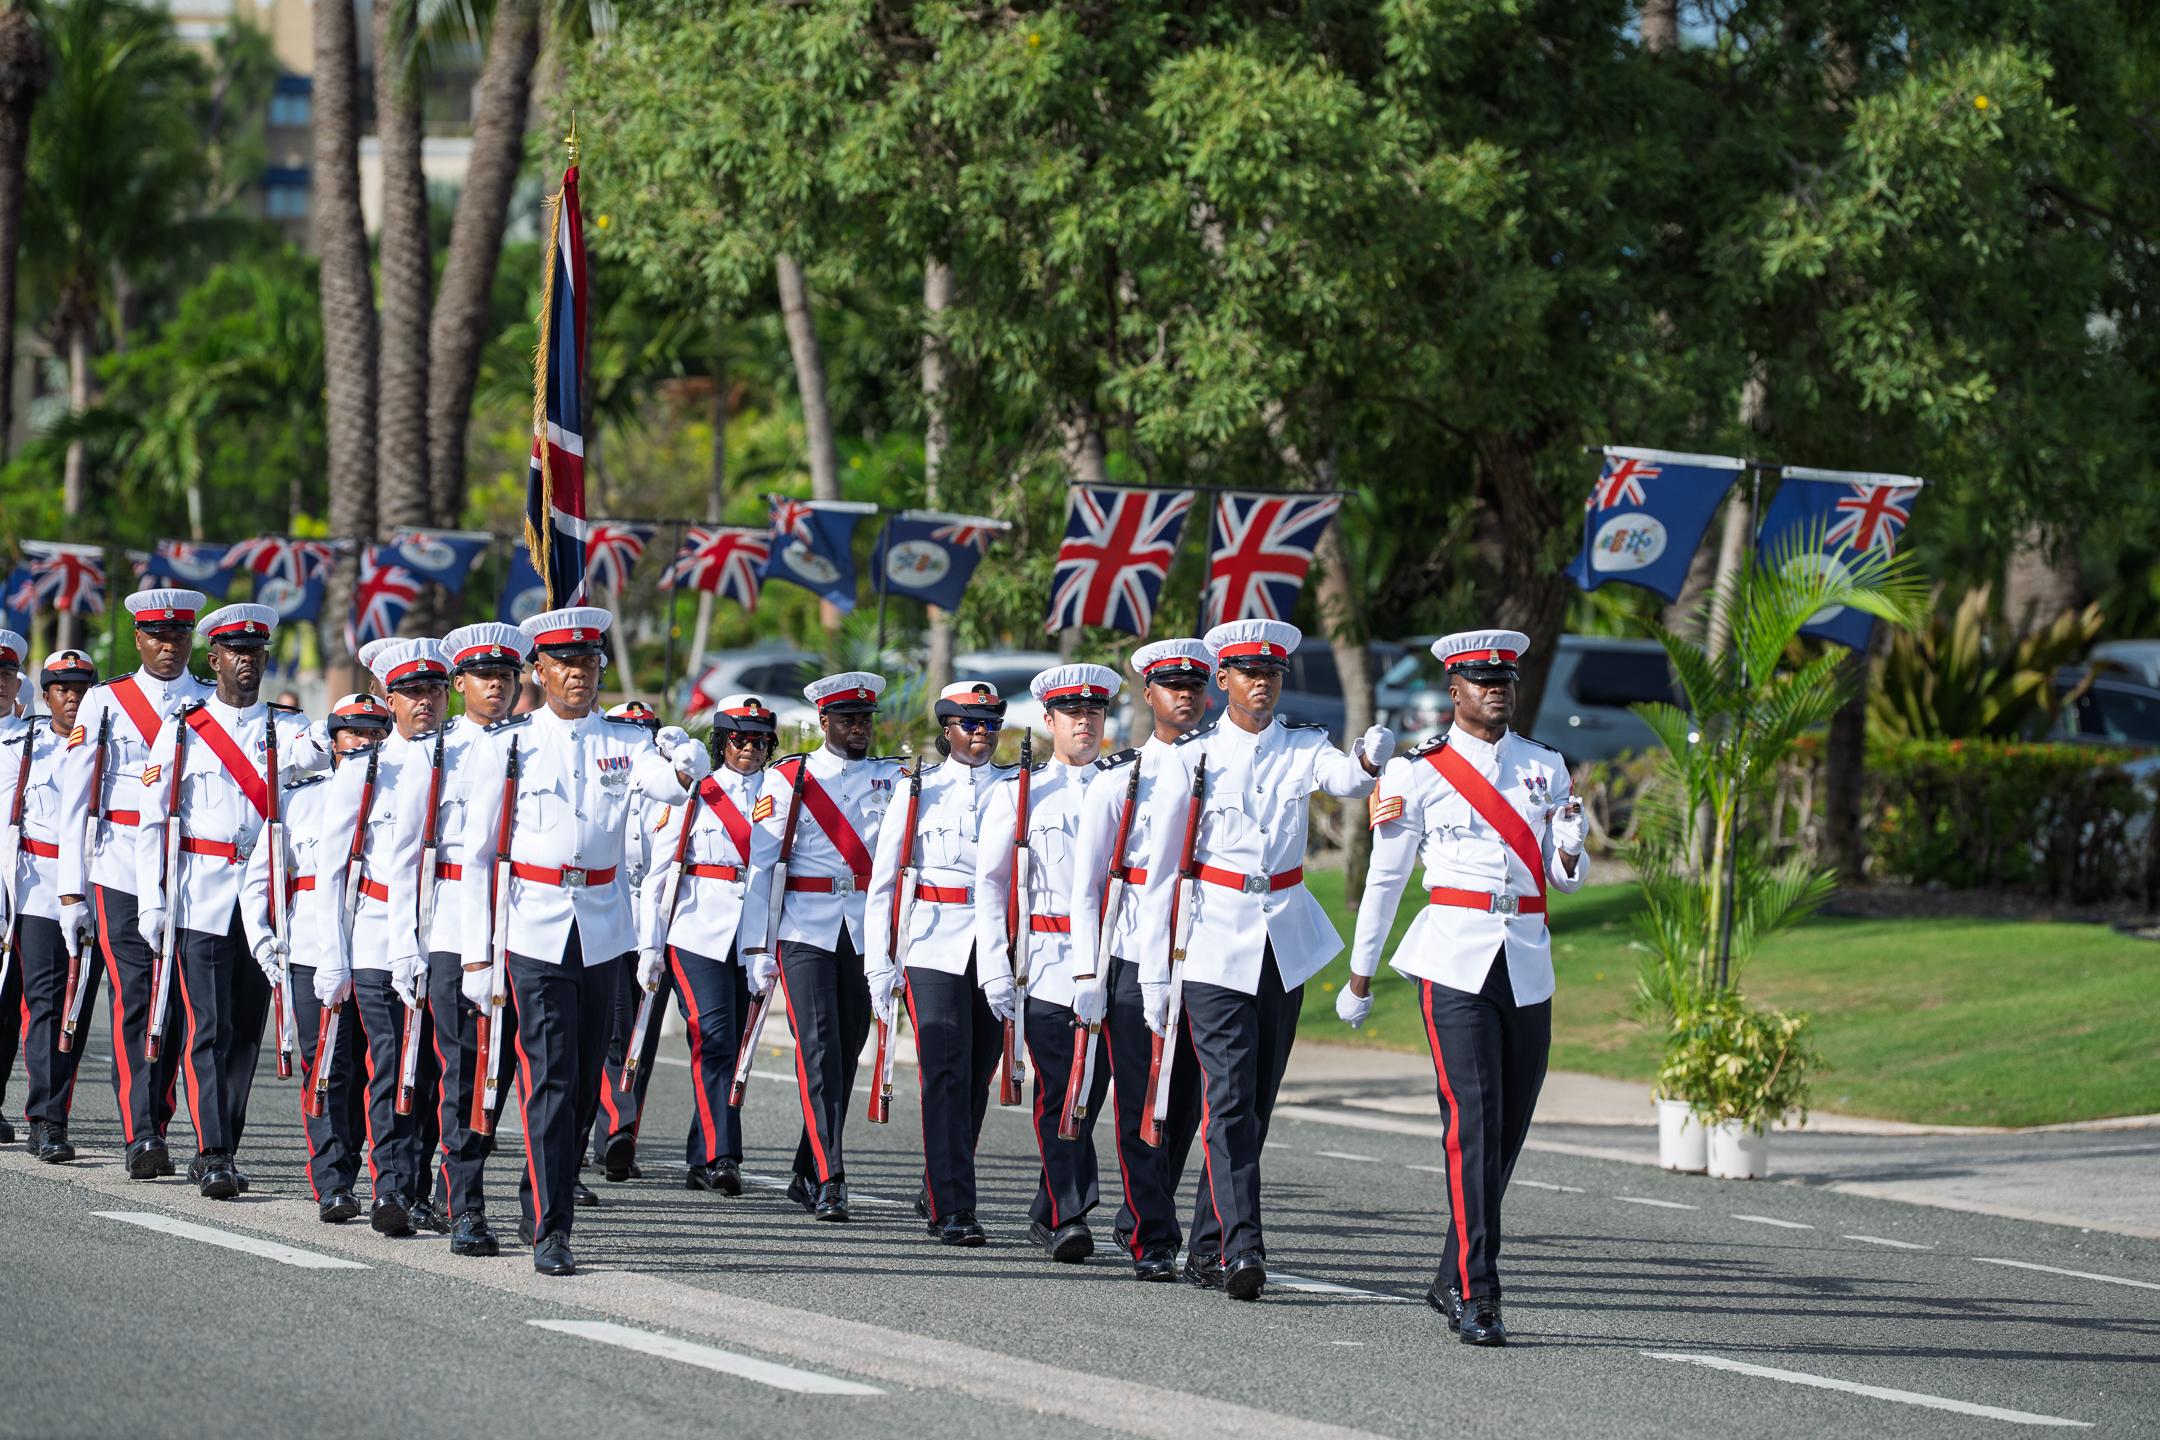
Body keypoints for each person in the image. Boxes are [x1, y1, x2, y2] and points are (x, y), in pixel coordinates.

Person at [1124, 619, 1390, 1300]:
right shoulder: (1192, 757)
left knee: (1256, 1102)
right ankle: (1245, 1249)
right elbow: (1158, 878)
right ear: (1223, 680)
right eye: (1249, 673)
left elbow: (1347, 780)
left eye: (1272, 674)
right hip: (1214, 938)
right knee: (1231, 1099)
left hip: (1283, 938)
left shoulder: (1303, 746)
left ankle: (1208, 1248)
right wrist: (1156, 972)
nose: (1262, 684)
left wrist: (1366, 759)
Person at [1344, 629, 1584, 1346]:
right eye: (1481, 680)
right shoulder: (1415, 774)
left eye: (1505, 678)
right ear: (1454, 691)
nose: (1497, 689)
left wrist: (1571, 846)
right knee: (1472, 1122)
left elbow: (1565, 875)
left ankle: (1450, 1272)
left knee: (1505, 1132)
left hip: (1527, 958)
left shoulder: (1546, 767)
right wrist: (1360, 975)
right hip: (1454, 959)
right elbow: (1385, 880)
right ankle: (1479, 1294)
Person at [455, 607, 703, 1275]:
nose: (578, 675)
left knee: (583, 1082)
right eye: (564, 664)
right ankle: (550, 1228)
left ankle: (541, 1201)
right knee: (550, 1080)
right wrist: (478, 955)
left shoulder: (623, 742)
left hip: (601, 930)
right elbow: (478, 857)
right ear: (538, 670)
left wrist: (686, 757)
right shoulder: (506, 743)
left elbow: (674, 789)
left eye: (590, 663)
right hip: (532, 924)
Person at [134, 603, 319, 1198]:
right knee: (209, 1026)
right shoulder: (183, 726)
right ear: (212, 660)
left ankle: (225, 1146)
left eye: (257, 652)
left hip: (263, 903)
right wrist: (152, 899)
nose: (248, 662)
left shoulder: (290, 728)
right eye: (236, 653)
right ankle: (213, 1150)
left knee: (244, 1032)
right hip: (202, 893)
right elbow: (151, 820)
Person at [56, 591, 216, 1177]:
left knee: (179, 1001)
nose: (168, 646)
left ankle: (164, 1114)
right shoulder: (105, 700)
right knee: (135, 995)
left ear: (192, 638)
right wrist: (70, 890)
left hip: (185, 867)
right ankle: (140, 1132)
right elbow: (77, 797)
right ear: (139, 639)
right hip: (119, 862)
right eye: (156, 636)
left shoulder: (207, 701)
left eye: (178, 636)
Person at [1069, 638, 1214, 1280]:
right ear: (1149, 694)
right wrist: (1086, 972)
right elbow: (1089, 883)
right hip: (1133, 952)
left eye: (1195, 686)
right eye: (1171, 686)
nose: (1185, 696)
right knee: (1137, 1098)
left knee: (1183, 1102)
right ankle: (1150, 1232)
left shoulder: (1228, 763)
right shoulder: (1119, 775)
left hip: (1206, 951)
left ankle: (1148, 1212)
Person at [738, 671, 906, 1222]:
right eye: (848, 719)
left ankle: (806, 1167)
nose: (859, 728)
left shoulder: (894, 778)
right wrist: (756, 947)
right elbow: (764, 867)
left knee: (849, 1048)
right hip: (804, 928)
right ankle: (832, 1176)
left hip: (864, 929)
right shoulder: (791, 777)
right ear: (824, 722)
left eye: (865, 719)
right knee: (818, 1048)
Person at [975, 664, 1121, 1262]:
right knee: (1063, 1087)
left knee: (1094, 1089)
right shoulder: (1021, 791)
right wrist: (994, 965)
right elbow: (990, 885)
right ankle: (1071, 1213)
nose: (1084, 723)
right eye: (1072, 714)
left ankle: (1046, 1206)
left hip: (1114, 958)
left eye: (1094, 713)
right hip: (1049, 960)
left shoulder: (1128, 785)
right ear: (1049, 721)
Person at [862, 681, 1011, 1245]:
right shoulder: (919, 789)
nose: (981, 733)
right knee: (944, 1069)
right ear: (946, 728)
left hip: (995, 945)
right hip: (932, 941)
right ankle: (953, 1205)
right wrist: (882, 961)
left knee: (977, 1072)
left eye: (990, 724)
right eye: (970, 724)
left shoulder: (1016, 788)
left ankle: (938, 1179)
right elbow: (885, 882)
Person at [315, 638, 453, 1235]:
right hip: (375, 935)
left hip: (448, 934)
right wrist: (333, 956)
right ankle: (391, 1187)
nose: (425, 701)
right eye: (412, 692)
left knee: (440, 1070)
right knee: (393, 1063)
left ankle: (424, 1186)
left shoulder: (465, 757)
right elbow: (333, 870)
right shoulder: (366, 769)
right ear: (387, 699)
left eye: (434, 690)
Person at [252, 693, 391, 1221]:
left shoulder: (398, 795)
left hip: (377, 950)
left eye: (376, 732)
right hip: (312, 950)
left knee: (378, 1071)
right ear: (332, 742)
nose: (365, 742)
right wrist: (263, 940)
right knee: (328, 1069)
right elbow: (259, 881)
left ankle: (387, 1182)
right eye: (354, 733)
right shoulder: (298, 798)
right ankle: (334, 1181)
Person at [423, 622, 533, 1257]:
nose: (496, 686)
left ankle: (455, 1178)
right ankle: (466, 1206)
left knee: (510, 1072)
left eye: (507, 676)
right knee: (464, 1072)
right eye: (483, 677)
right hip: (452, 926)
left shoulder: (535, 745)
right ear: (458, 683)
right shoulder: (438, 751)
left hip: (524, 924)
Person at [637, 693, 774, 1195]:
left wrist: (765, 948)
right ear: (722, 740)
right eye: (740, 737)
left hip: (751, 935)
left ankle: (701, 1154)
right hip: (695, 931)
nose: (751, 748)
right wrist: (650, 945)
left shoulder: (782, 793)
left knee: (735, 1044)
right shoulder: (696, 790)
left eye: (760, 739)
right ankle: (723, 1156)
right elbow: (659, 873)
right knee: (712, 1037)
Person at [5, 649, 100, 1160]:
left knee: (78, 1007)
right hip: (39, 889)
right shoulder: (23, 745)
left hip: (98, 885)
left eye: (82, 688)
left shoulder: (116, 746)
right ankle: (46, 1120)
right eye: (62, 689)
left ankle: (54, 1110)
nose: (73, 698)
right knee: (45, 1002)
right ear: (44, 697)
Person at [589, 697, 682, 1183]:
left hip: (650, 927)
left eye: (645, 731)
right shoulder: (601, 782)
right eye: (629, 730)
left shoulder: (663, 789)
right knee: (611, 1034)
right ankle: (610, 1130)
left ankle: (619, 1138)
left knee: (638, 1040)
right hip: (606, 921)